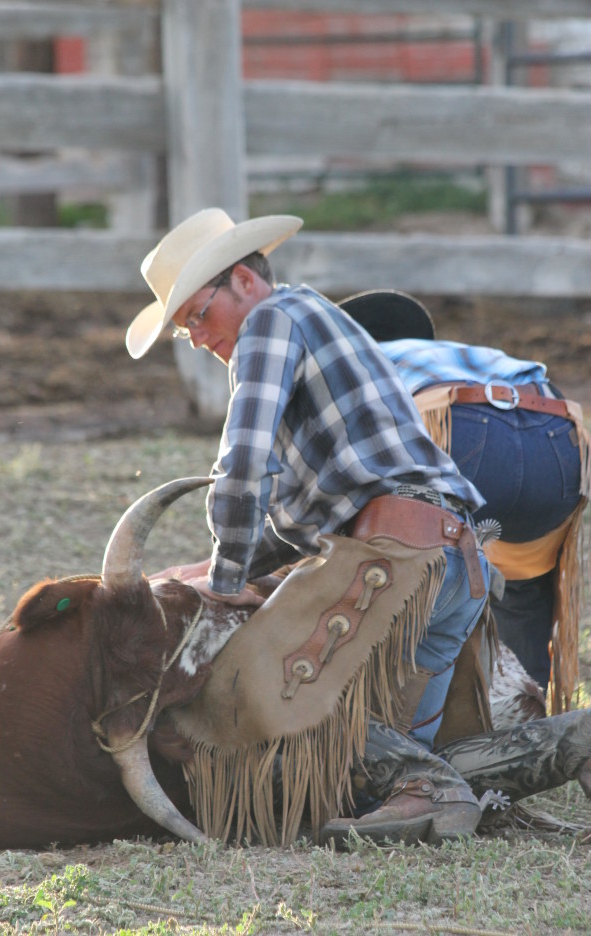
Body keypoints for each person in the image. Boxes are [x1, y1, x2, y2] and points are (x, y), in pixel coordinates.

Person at [125, 207, 496, 847]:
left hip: (396, 561)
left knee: (247, 682)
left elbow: (242, 468)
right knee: (386, 763)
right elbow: (299, 514)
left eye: (197, 317)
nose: (201, 339)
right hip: (453, 558)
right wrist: (221, 567)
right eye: (185, 332)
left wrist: (221, 582)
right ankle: (569, 740)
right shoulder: (314, 320)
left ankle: (428, 790)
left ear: (242, 280)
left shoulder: (267, 322)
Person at [340, 289, 590, 709]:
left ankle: (407, 716)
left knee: (406, 571)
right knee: (525, 588)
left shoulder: (356, 363)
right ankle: (527, 728)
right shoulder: (461, 351)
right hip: (559, 435)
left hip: (455, 426)